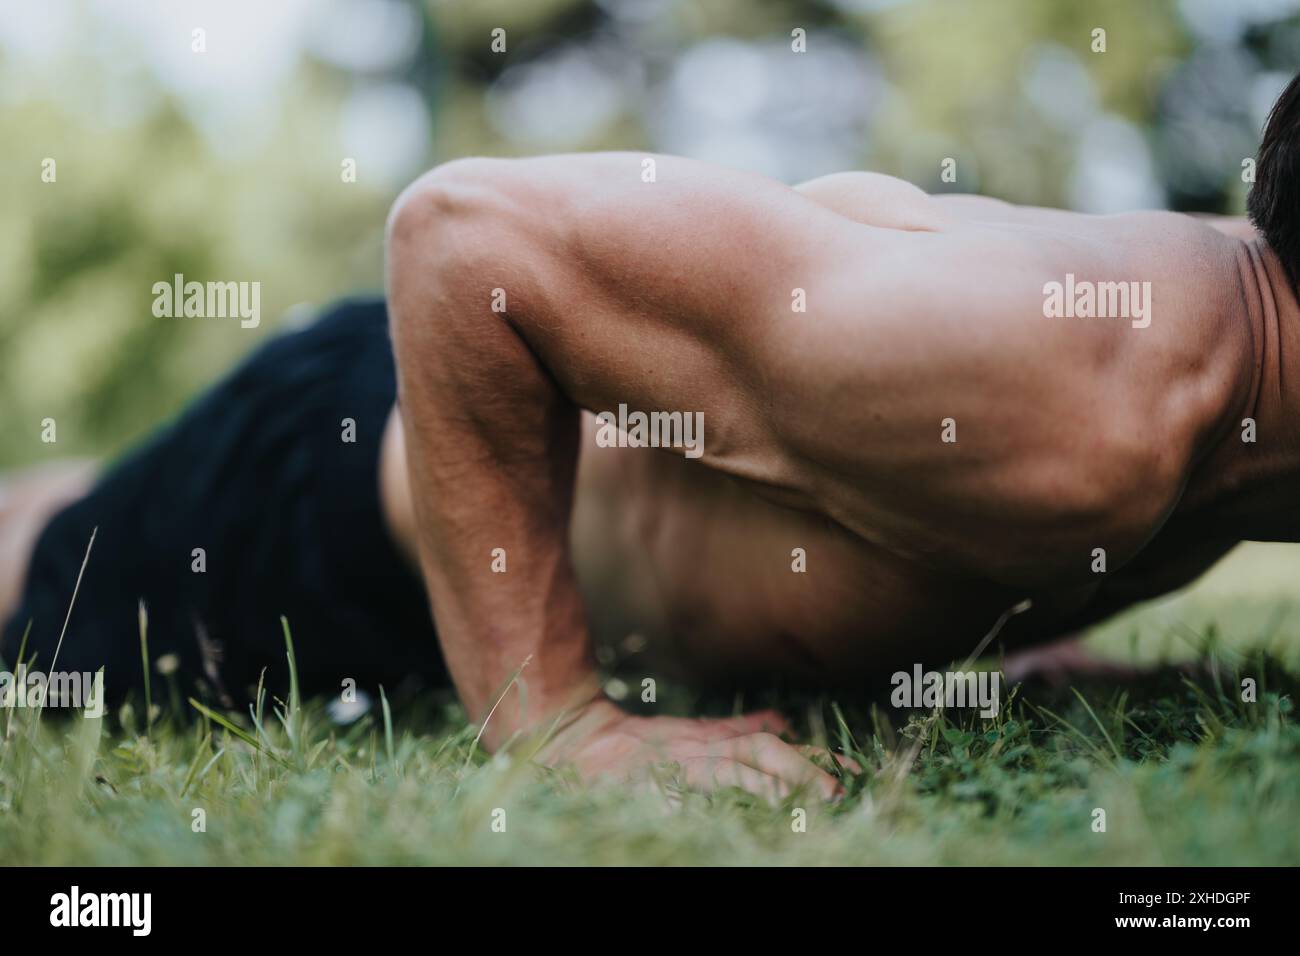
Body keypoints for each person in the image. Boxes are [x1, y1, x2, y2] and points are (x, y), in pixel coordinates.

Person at [5, 74, 1298, 801]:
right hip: (331, 521)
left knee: (75, 502)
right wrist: (561, 722)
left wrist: (989, 633)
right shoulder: (1084, 395)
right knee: (41, 579)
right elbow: (461, 238)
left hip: (450, 434)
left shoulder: (1217, 369)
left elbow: (918, 485)